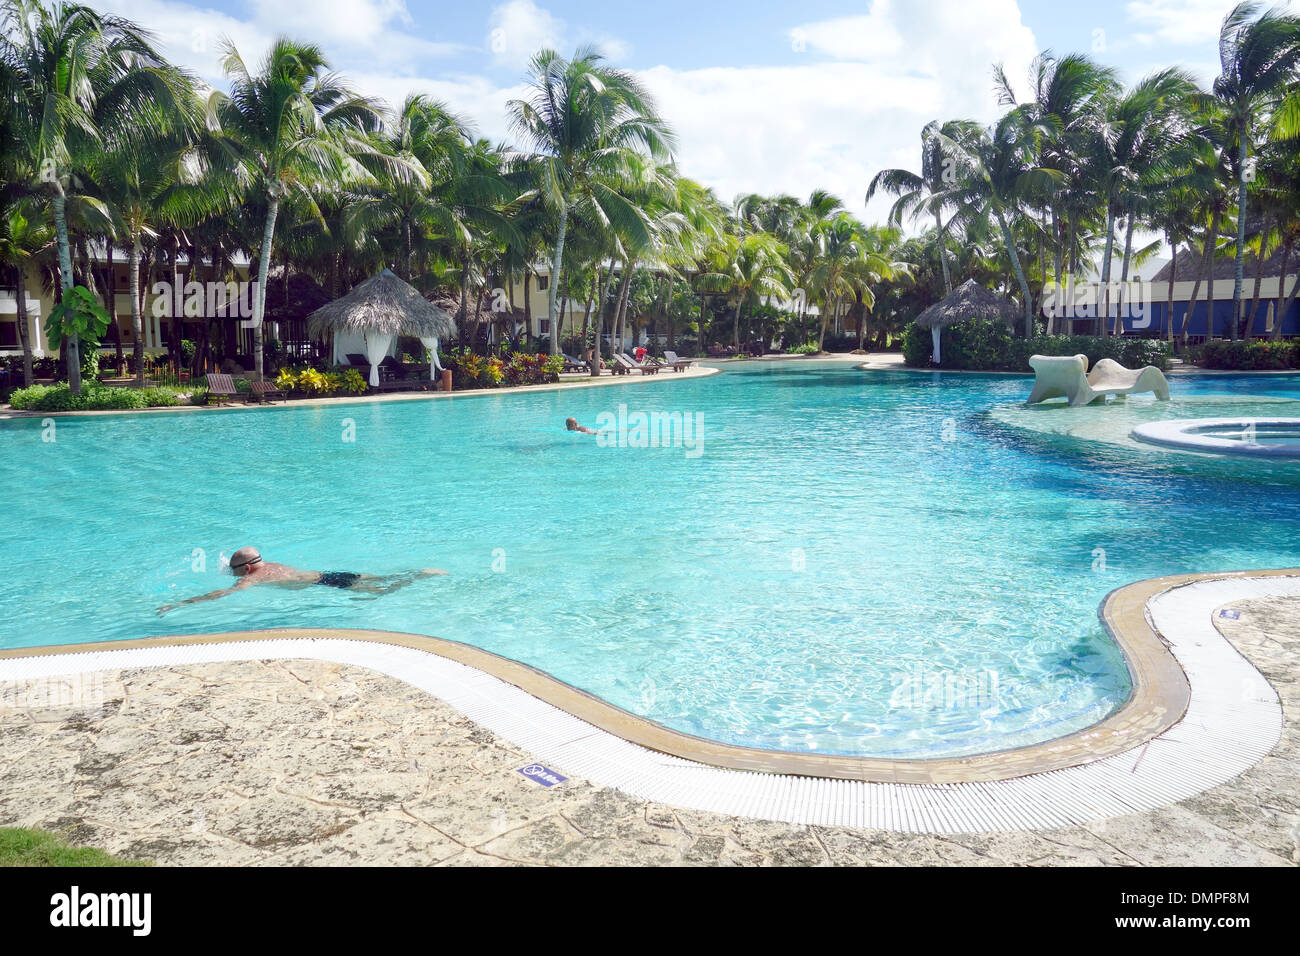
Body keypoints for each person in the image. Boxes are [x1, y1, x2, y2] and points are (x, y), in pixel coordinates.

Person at [158, 547, 445, 614]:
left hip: (326, 583)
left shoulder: (253, 578)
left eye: (234, 571)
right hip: (330, 573)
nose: (233, 575)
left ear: (246, 569)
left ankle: (417, 577)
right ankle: (420, 572)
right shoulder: (271, 565)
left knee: (381, 592)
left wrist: (181, 604)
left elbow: (221, 594)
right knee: (386, 579)